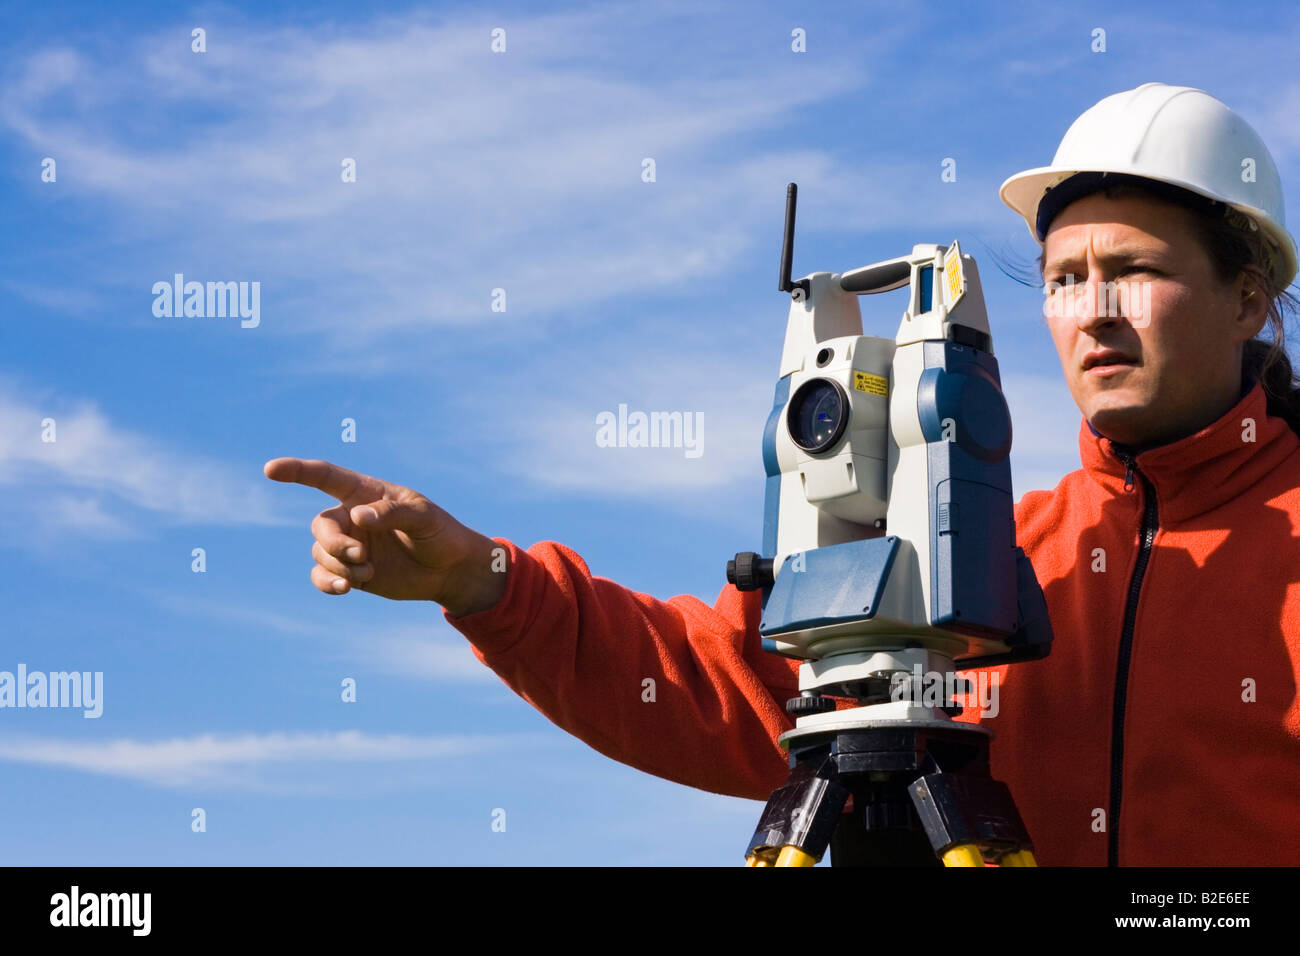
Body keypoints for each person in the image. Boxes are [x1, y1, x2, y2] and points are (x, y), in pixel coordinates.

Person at [264, 82, 1300, 865]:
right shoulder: (1001, 559)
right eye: (1067, 278)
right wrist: (483, 579)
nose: (1093, 311)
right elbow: (709, 682)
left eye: (1135, 270)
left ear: (1248, 296)